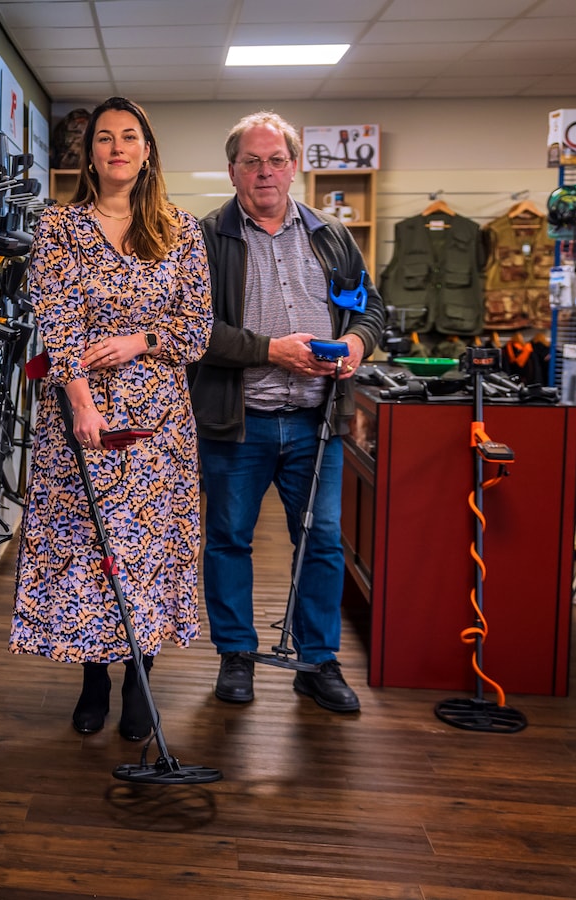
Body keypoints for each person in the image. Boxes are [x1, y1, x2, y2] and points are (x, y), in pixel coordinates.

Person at [10, 97, 212, 740]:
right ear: (89, 153)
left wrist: (140, 341)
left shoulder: (182, 230)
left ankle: (140, 680)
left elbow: (197, 328)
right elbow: (58, 320)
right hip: (80, 416)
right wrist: (82, 407)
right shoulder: (58, 228)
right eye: (104, 138)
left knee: (145, 548)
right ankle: (94, 676)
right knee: (90, 547)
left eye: (130, 137)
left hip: (158, 419)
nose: (117, 147)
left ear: (148, 151)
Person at [192, 110, 384, 713]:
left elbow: (371, 308)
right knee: (227, 539)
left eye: (276, 160)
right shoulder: (203, 238)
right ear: (232, 171)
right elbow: (191, 329)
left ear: (294, 168)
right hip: (237, 420)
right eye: (252, 161)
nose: (265, 172)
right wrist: (271, 351)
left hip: (316, 421)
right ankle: (236, 655)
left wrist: (354, 344)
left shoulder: (330, 234)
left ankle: (317, 662)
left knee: (322, 541)